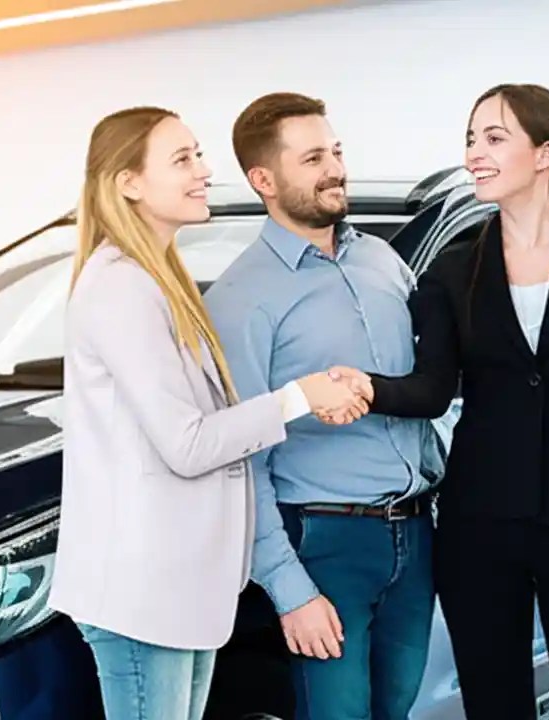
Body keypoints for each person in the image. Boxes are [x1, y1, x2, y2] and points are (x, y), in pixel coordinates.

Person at [329, 83, 549, 719]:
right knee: (494, 707)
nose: (474, 156)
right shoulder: (453, 269)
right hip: (479, 528)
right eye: (470, 140)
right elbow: (433, 389)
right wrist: (367, 387)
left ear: (544, 154)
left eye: (494, 139)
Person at [48, 106, 367, 720]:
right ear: (129, 183)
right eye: (183, 158)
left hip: (179, 588)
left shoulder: (157, 277)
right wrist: (299, 396)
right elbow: (188, 444)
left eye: (198, 154)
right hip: (144, 593)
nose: (206, 170)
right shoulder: (120, 286)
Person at [204, 92, 442, 719]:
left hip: (415, 536)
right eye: (312, 158)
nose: (335, 168)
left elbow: (425, 390)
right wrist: (289, 591)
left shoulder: (385, 262)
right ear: (264, 179)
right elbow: (239, 457)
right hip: (323, 544)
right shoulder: (240, 299)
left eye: (336, 151)